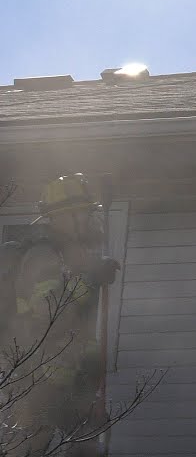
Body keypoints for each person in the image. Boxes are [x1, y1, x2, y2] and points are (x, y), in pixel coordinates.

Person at [8, 174, 120, 457]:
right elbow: (51, 315)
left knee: (85, 443)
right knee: (34, 447)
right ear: (60, 218)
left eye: (88, 213)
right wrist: (90, 280)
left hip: (70, 377)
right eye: (81, 213)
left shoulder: (69, 255)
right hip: (41, 378)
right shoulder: (43, 256)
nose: (87, 220)